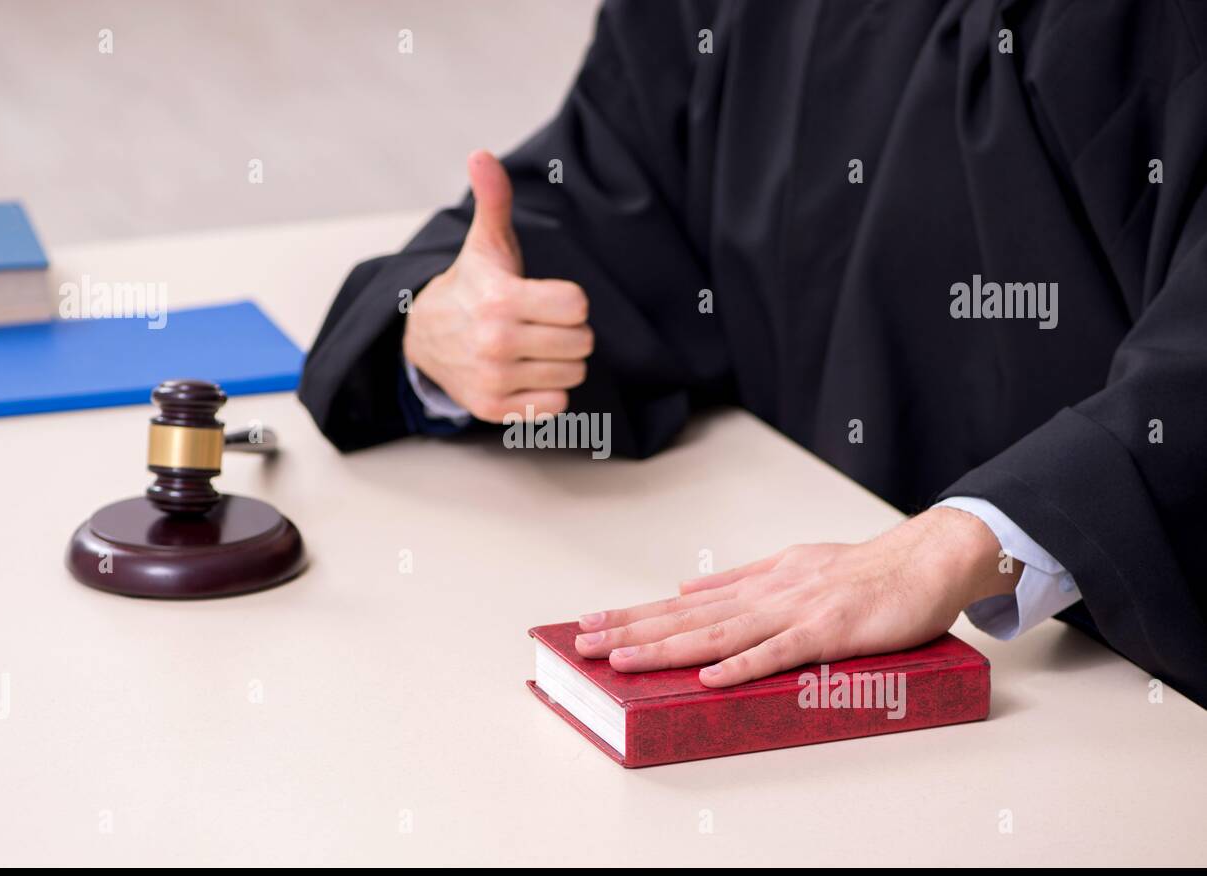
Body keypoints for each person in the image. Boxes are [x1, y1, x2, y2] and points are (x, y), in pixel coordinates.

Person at [299, 0, 1207, 707]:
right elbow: (613, 203)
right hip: (800, 661)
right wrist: (448, 323)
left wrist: (982, 539)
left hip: (1098, 717)